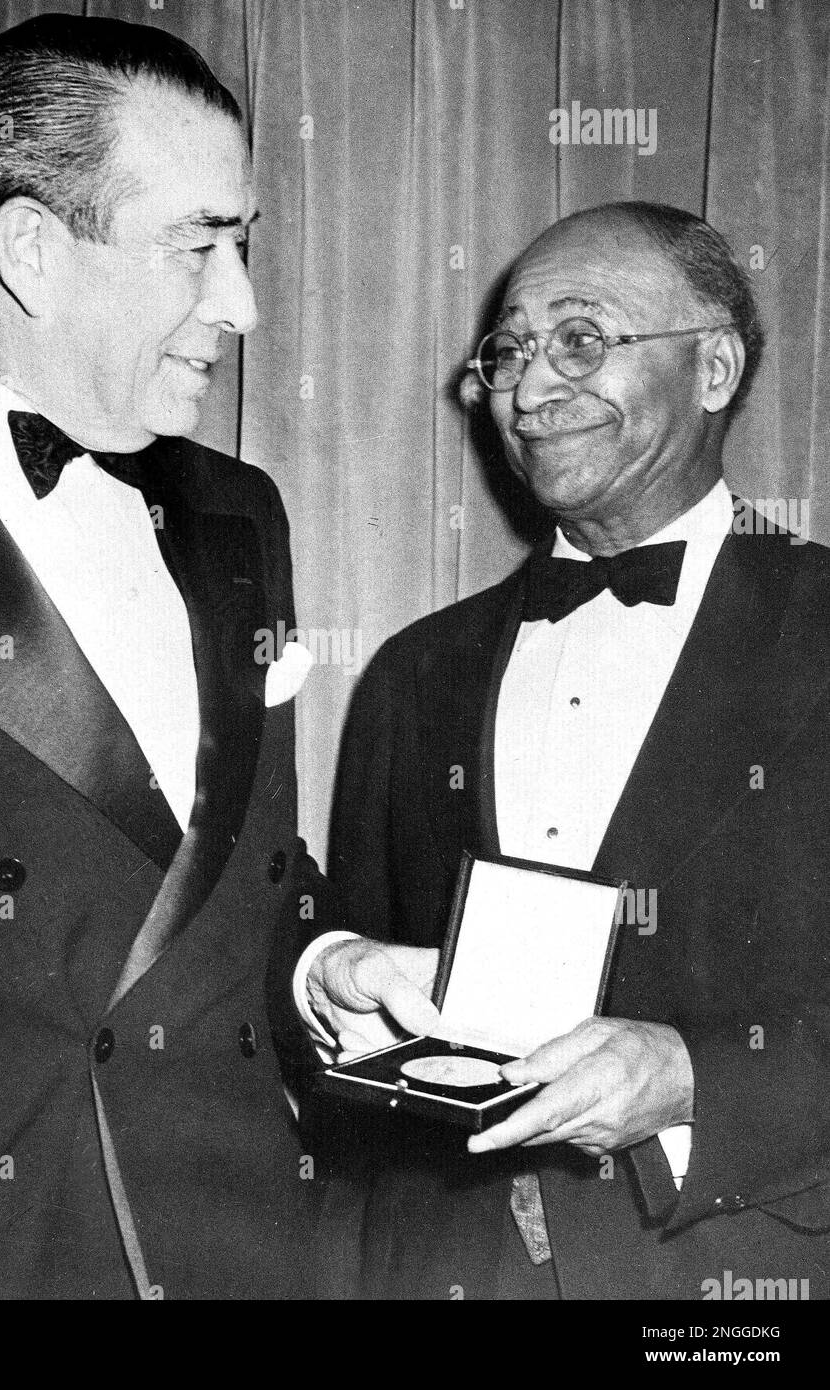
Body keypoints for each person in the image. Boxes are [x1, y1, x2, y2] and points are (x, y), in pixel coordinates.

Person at [0, 14, 329, 1301]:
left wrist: (324, 958)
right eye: (198, 248)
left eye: (239, 245)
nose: (241, 305)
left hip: (235, 1253)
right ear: (30, 249)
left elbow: (231, 866)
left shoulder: (246, 513)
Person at [300, 202, 830, 1300]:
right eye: (508, 353)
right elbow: (349, 1003)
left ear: (715, 366)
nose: (531, 391)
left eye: (582, 339)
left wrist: (694, 1080)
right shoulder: (411, 673)